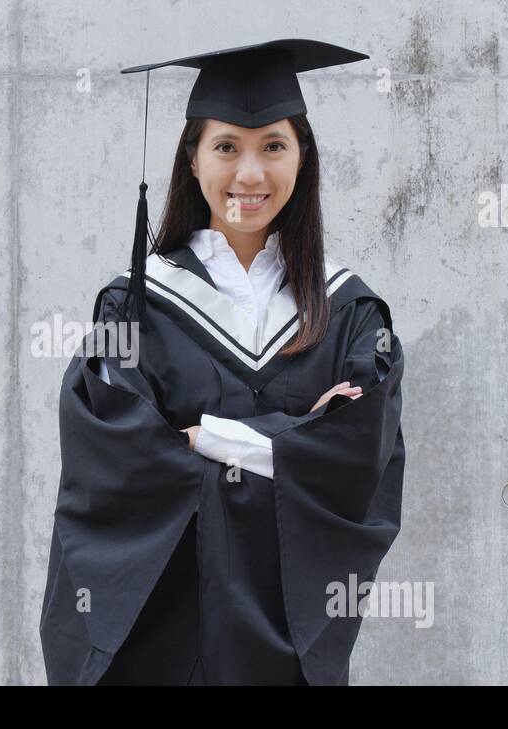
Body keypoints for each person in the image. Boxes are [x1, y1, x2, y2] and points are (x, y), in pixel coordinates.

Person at [39, 39, 406, 686]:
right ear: (193, 157)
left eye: (274, 145)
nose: (250, 173)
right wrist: (291, 443)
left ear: (303, 158)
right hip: (164, 644)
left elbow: (356, 446)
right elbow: (114, 453)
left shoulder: (347, 309)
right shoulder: (138, 305)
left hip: (283, 643)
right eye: (227, 146)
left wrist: (210, 437)